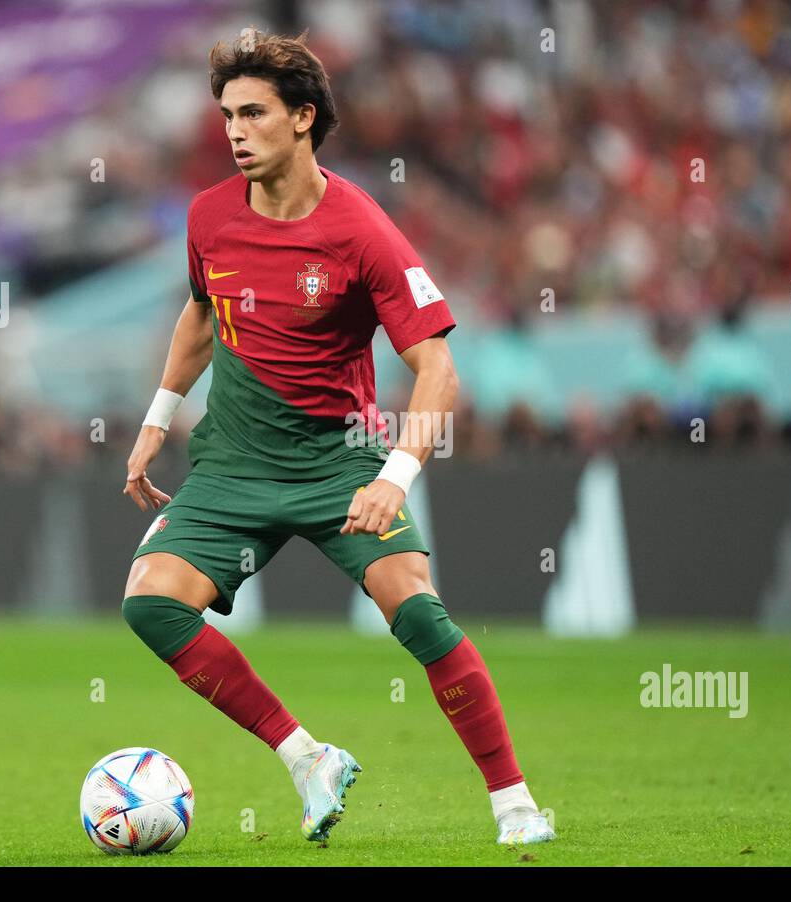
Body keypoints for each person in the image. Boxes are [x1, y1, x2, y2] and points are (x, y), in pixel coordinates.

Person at [119, 30, 553, 847]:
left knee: (418, 614)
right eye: (226, 115)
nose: (235, 131)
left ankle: (515, 805)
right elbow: (201, 315)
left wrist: (395, 475)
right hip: (234, 463)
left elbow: (438, 371)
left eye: (254, 113)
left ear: (303, 119)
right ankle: (305, 756)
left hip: (341, 462)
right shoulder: (209, 216)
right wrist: (154, 420)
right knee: (149, 603)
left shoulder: (362, 231)